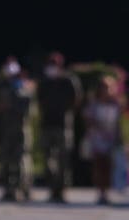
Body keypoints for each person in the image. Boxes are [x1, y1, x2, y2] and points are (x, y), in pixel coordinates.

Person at [37, 52, 82, 203]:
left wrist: (66, 112)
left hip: (63, 125)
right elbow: (39, 101)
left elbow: (76, 100)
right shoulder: (44, 82)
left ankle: (61, 191)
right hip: (47, 125)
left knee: (63, 161)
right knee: (48, 161)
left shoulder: (68, 81)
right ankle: (52, 188)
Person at [0, 56, 33, 202]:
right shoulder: (1, 86)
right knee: (5, 161)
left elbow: (26, 107)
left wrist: (10, 104)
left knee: (20, 161)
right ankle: (8, 189)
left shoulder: (23, 85)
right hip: (5, 130)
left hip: (20, 130)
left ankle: (23, 189)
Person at [83, 76, 123, 205]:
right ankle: (101, 192)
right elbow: (88, 120)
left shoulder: (116, 104)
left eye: (108, 87)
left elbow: (119, 123)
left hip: (111, 140)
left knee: (109, 167)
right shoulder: (94, 103)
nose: (106, 90)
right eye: (104, 87)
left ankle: (107, 191)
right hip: (97, 140)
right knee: (99, 167)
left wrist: (120, 138)